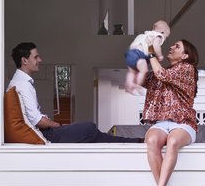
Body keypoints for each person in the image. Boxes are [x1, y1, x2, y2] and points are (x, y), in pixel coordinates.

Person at [8, 42, 138, 143]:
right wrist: (57, 125)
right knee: (89, 128)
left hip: (45, 130)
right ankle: (133, 142)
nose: (40, 60)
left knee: (95, 134)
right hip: (45, 134)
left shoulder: (19, 82)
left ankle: (133, 142)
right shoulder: (23, 84)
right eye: (36, 57)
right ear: (24, 60)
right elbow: (37, 120)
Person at [140, 38, 199, 186]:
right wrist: (139, 56)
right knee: (151, 141)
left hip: (183, 122)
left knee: (173, 142)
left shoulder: (187, 69)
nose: (172, 47)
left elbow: (162, 75)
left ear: (185, 55)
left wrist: (151, 51)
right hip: (161, 123)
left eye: (177, 46)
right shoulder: (163, 71)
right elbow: (143, 79)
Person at [123, 19, 171, 94]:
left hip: (130, 53)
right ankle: (137, 85)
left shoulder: (145, 34)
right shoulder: (158, 36)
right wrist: (159, 55)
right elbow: (155, 45)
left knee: (132, 72)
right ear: (162, 32)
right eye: (166, 37)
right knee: (143, 70)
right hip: (139, 54)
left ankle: (129, 84)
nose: (164, 39)